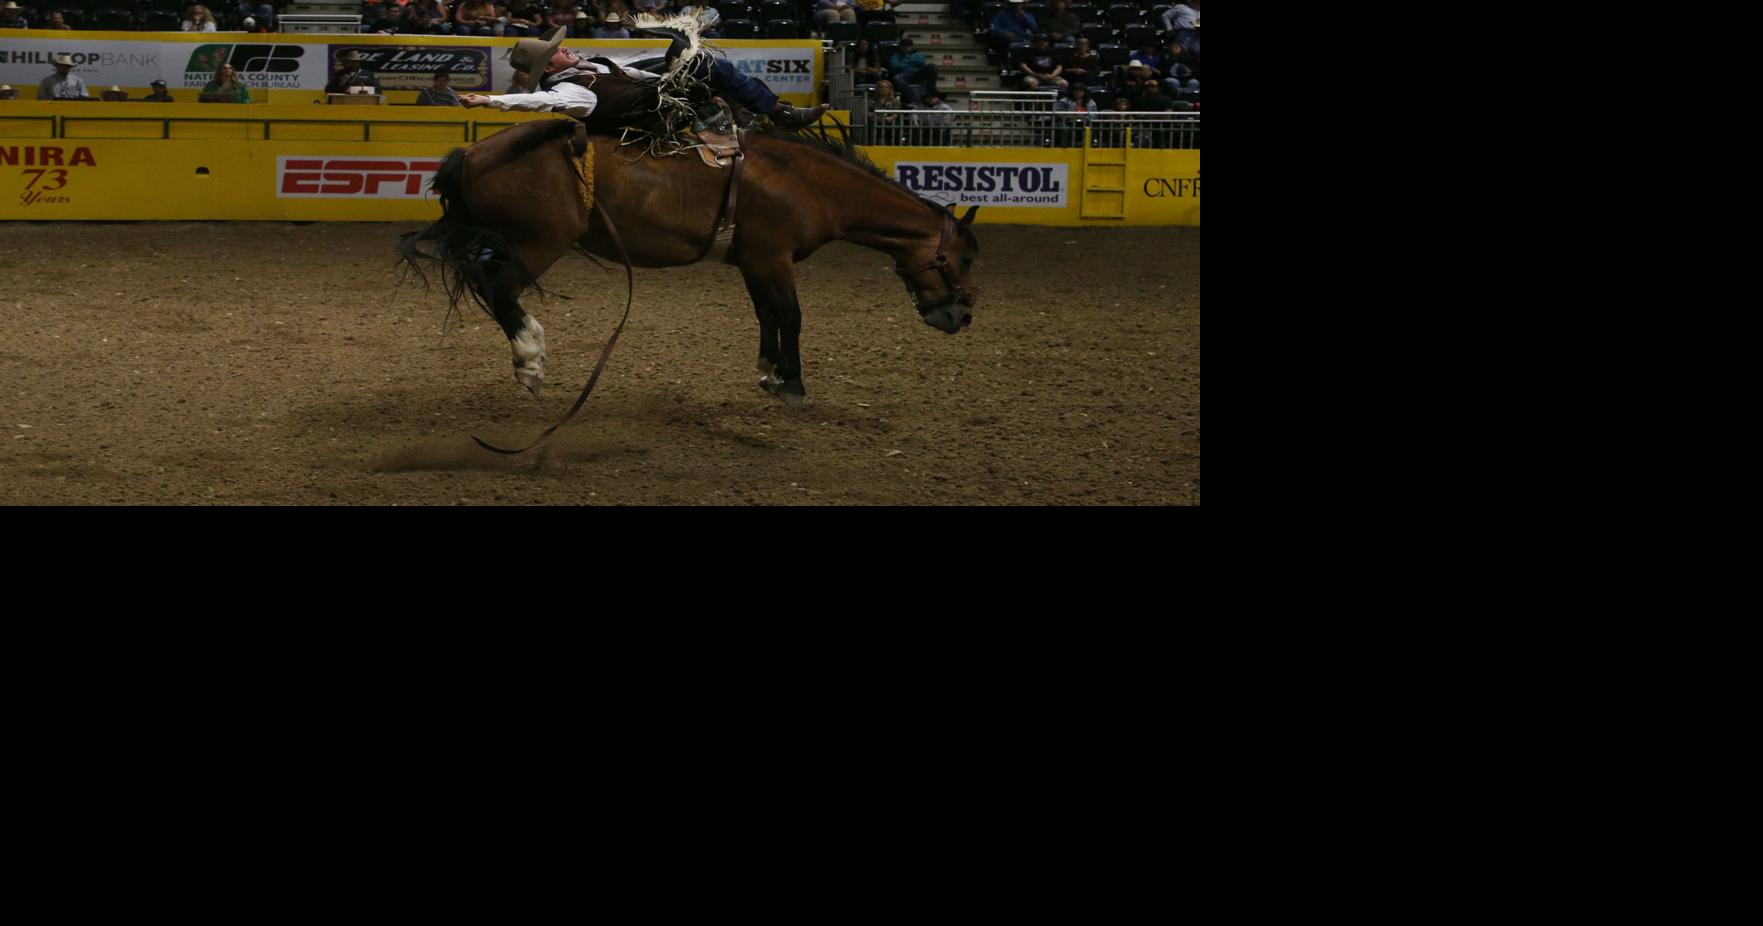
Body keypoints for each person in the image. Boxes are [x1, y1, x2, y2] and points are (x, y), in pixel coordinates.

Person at [457, 28, 828, 132]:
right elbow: (539, 102)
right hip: (651, 109)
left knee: (689, 52)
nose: (564, 47)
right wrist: (491, 101)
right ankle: (775, 113)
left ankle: (759, 111)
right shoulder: (569, 90)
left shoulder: (592, 69)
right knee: (708, 64)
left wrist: (669, 68)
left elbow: (630, 72)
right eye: (555, 50)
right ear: (549, 69)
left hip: (649, 88)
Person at [887, 38, 939, 103]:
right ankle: (914, 98)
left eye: (908, 46)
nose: (905, 47)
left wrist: (903, 62)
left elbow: (921, 62)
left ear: (912, 46)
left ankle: (931, 93)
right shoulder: (895, 56)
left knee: (931, 66)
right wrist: (912, 62)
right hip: (904, 75)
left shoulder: (918, 54)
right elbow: (895, 65)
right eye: (903, 46)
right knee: (897, 78)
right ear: (900, 47)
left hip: (917, 74)